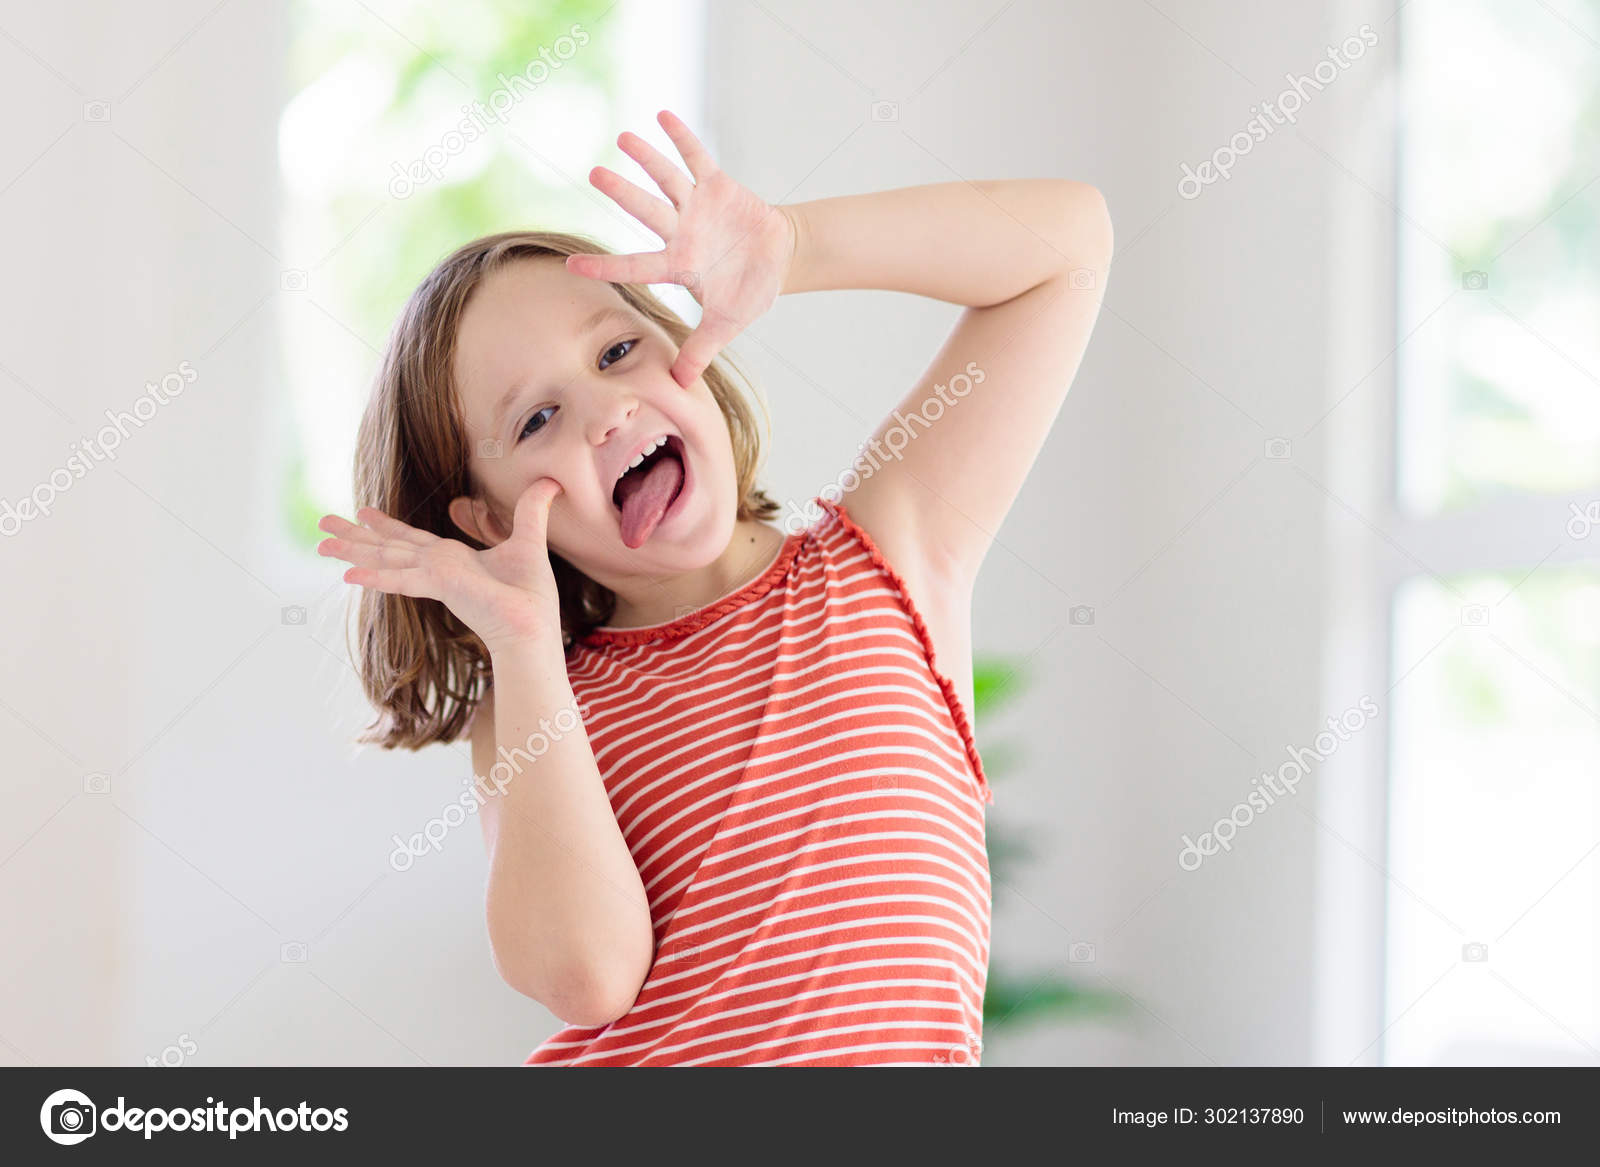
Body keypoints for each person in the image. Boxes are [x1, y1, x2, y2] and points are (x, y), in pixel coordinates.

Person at [318, 109, 1113, 1065]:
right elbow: (582, 976)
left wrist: (794, 246)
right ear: (488, 523)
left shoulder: (887, 557)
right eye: (537, 420)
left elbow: (1066, 249)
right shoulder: (543, 701)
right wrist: (523, 642)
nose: (608, 410)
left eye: (616, 352)